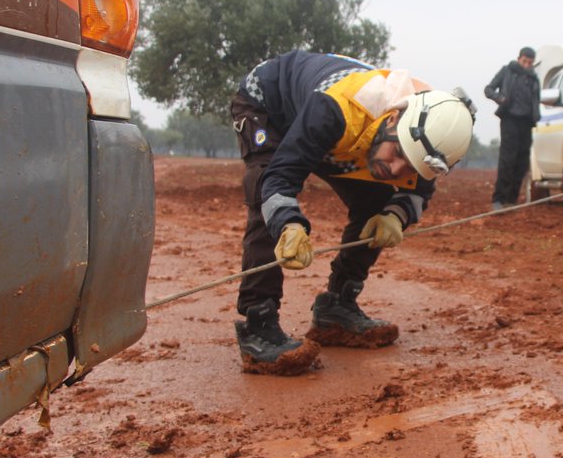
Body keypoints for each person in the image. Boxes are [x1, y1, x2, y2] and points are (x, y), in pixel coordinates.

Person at [228, 51, 475, 375]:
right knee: (265, 194)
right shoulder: (336, 111)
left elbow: (417, 191)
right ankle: (259, 326)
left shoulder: (430, 135)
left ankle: (338, 307)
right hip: (271, 105)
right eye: (397, 153)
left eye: (409, 165)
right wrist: (288, 225)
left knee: (375, 205)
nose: (395, 169)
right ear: (391, 121)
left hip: (346, 134)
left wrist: (395, 215)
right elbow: (279, 180)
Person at [484, 46, 541, 210]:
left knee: (522, 162)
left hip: (527, 121)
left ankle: (512, 199)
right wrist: (500, 98)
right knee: (507, 160)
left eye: (530, 62)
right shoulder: (507, 71)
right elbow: (488, 89)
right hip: (510, 119)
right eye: (525, 61)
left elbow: (536, 98)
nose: (527, 65)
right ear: (519, 58)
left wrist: (536, 115)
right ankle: (499, 199)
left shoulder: (534, 77)